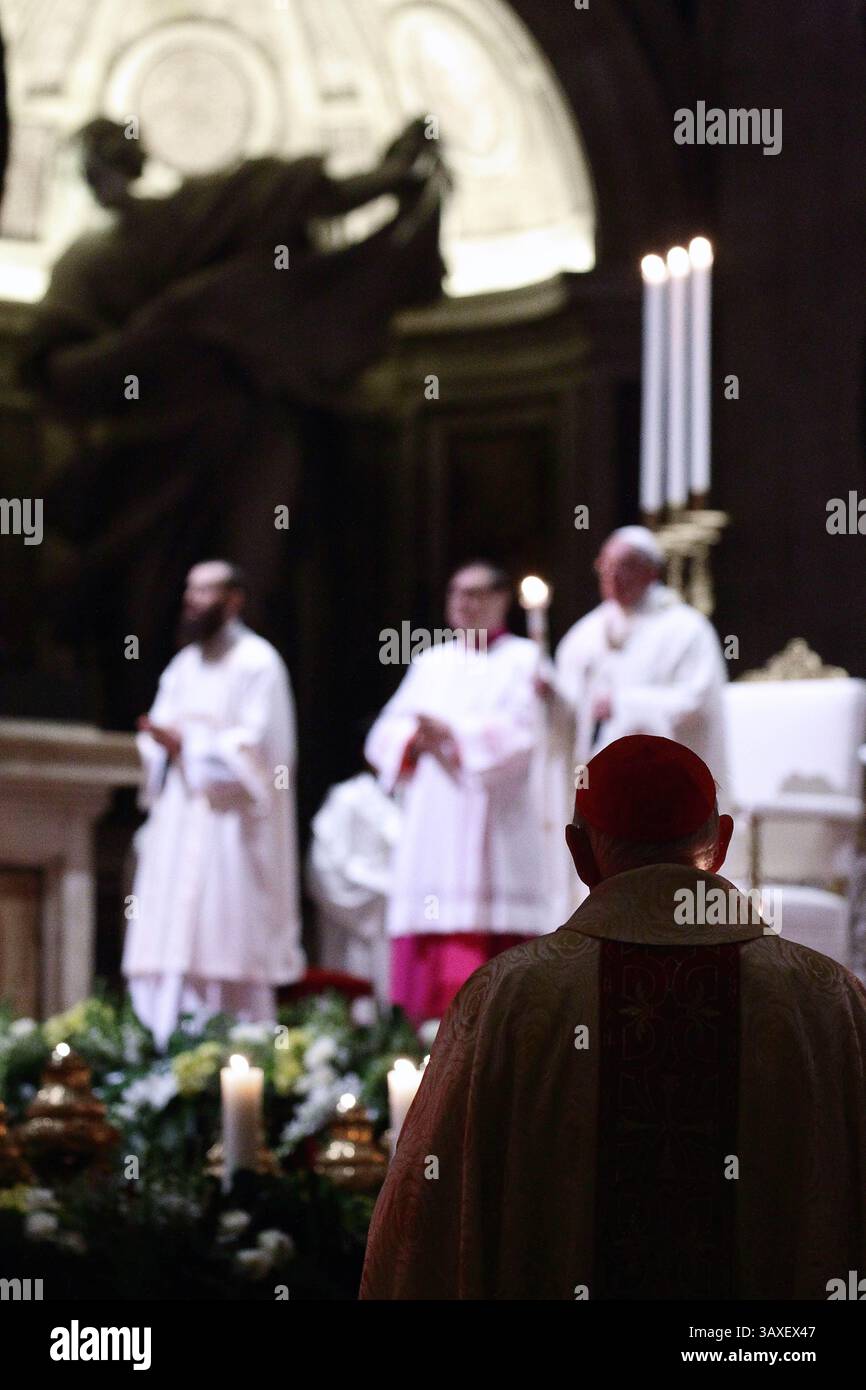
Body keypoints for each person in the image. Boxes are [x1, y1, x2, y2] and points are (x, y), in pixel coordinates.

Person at [360, 734, 866, 1300]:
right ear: (720, 843)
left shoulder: (507, 999)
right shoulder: (827, 1000)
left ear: (578, 853)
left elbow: (422, 1231)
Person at [123, 560, 304, 1047]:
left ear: (234, 598)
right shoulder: (183, 666)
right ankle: (160, 1056)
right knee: (167, 949)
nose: (192, 601)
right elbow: (156, 742)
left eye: (205, 591)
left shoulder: (257, 662)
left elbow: (261, 754)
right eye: (190, 590)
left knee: (223, 945)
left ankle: (238, 1057)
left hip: (229, 833)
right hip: (179, 821)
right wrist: (162, 745)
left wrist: (190, 746)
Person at [364, 561, 552, 1025]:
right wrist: (414, 739)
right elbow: (384, 732)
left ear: (501, 599)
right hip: (436, 818)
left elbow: (529, 735)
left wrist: (455, 735)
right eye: (456, 593)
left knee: (494, 956)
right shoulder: (432, 662)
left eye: (475, 593)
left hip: (499, 820)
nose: (463, 603)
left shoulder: (526, 660)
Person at [553, 526, 729, 778]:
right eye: (606, 565)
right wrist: (549, 695)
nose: (613, 575)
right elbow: (569, 710)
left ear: (651, 573)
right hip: (602, 777)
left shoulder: (686, 628)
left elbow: (698, 701)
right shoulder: (584, 634)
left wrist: (623, 703)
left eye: (626, 566)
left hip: (666, 776)